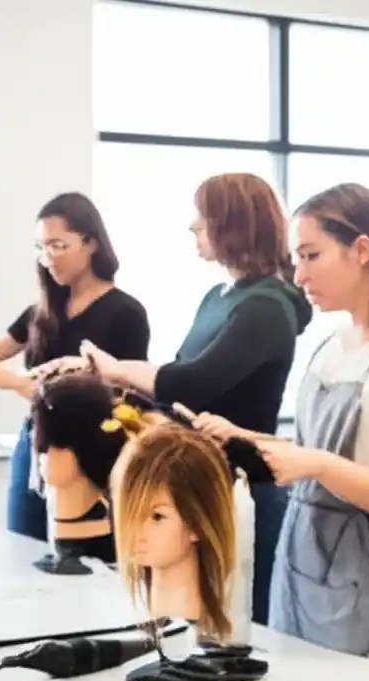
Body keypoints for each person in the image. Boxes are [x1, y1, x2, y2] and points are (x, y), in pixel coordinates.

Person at [193, 183, 369, 672]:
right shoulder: (331, 346)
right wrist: (248, 437)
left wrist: (312, 462)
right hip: (301, 570)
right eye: (296, 257)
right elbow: (322, 454)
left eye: (311, 255)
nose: (298, 274)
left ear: (361, 249)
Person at [77, 173, 312, 625]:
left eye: (202, 218)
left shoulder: (267, 307)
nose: (192, 227)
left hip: (242, 487)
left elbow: (193, 382)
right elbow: (176, 385)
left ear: (233, 224)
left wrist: (117, 367)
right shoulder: (218, 298)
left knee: (239, 622)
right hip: (200, 484)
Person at [0, 192, 149, 541]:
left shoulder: (125, 312)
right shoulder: (43, 311)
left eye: (58, 246)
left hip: (91, 452)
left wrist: (13, 383)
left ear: (91, 243)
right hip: (35, 442)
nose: (47, 258)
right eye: (41, 247)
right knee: (23, 541)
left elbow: (124, 394)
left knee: (81, 554)